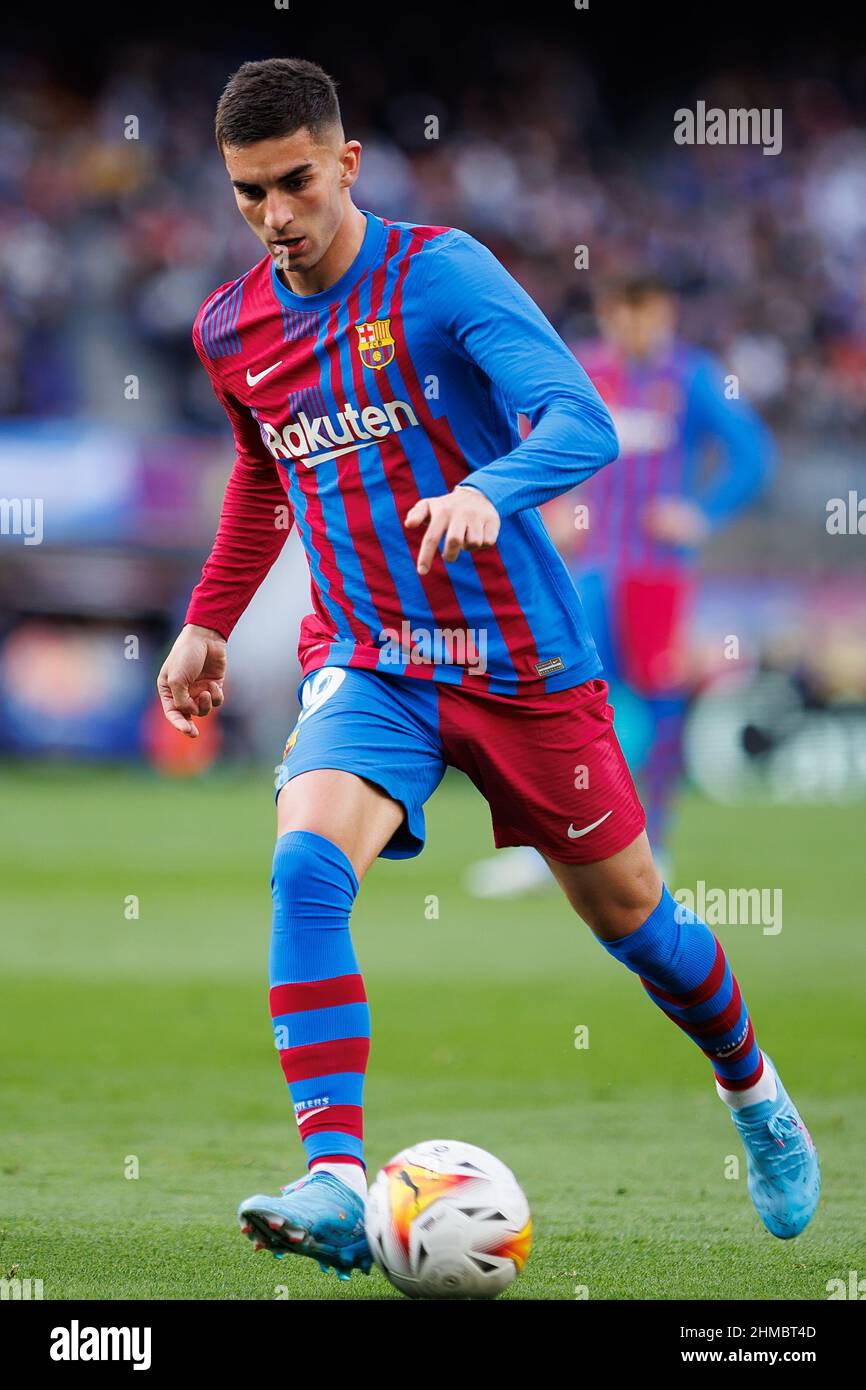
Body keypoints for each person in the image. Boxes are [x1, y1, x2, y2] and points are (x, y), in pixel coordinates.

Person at [157, 57, 819, 1282]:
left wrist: (481, 489)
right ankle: (334, 1173)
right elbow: (265, 472)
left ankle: (753, 1090)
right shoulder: (228, 329)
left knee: (635, 920)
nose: (274, 214)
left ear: (346, 162)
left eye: (296, 182)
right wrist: (207, 617)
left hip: (518, 662)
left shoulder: (439, 273)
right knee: (305, 861)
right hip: (368, 656)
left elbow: (578, 420)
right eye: (249, 193)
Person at [467, 274, 776, 897]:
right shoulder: (583, 370)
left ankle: (654, 845)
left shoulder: (690, 378)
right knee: (557, 697)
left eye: (646, 312)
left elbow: (753, 455)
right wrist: (546, 505)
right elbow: (524, 435)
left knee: (658, 703)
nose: (633, 326)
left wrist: (702, 514)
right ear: (607, 313)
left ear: (665, 312)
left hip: (656, 572)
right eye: (621, 312)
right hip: (582, 570)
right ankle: (552, 846)